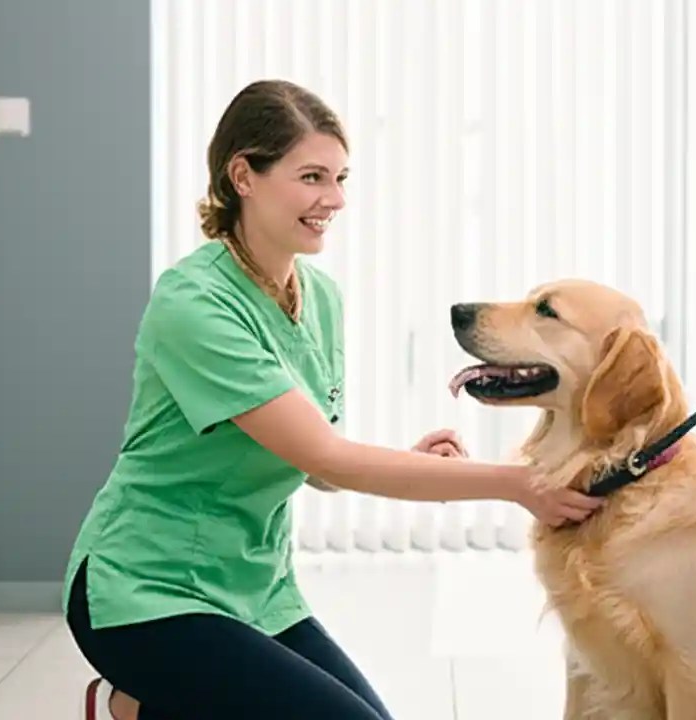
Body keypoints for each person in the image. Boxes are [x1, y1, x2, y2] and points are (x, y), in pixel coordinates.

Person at [61, 79, 604, 720]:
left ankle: (133, 710)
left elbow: (316, 466)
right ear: (244, 175)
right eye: (313, 177)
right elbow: (330, 455)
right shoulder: (195, 304)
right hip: (148, 590)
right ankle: (132, 703)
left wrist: (414, 461)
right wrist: (518, 483)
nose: (335, 199)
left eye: (342, 178)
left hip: (256, 590)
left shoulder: (318, 297)